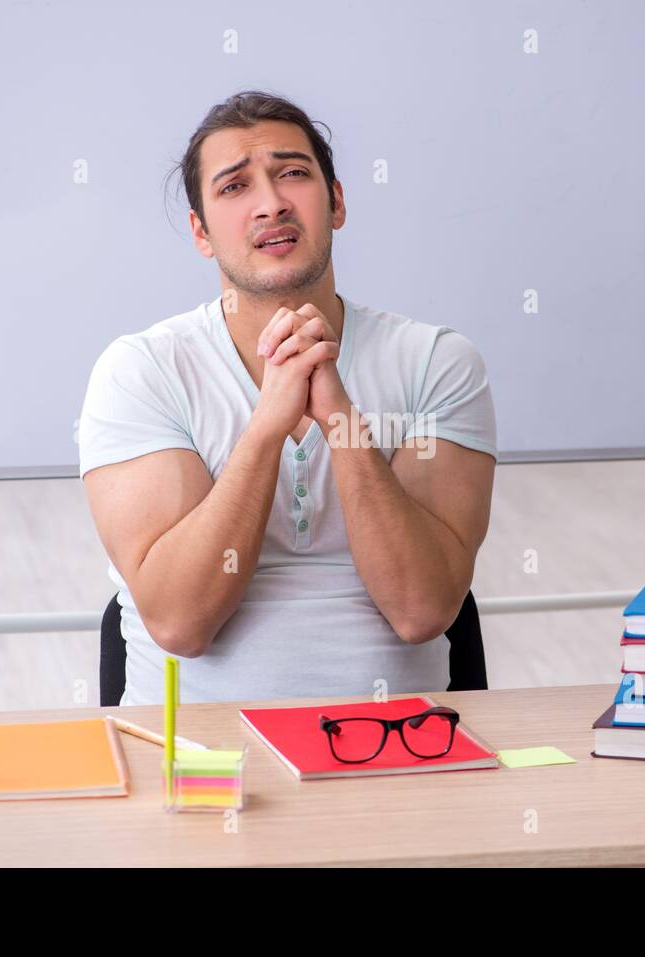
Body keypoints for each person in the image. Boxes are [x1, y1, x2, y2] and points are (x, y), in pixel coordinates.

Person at [78, 90, 497, 704]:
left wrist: (340, 420)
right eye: (234, 187)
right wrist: (266, 429)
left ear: (337, 203)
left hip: (397, 749)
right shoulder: (139, 372)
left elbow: (422, 608)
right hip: (198, 760)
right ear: (201, 231)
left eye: (293, 174)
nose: (270, 204)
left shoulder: (437, 361)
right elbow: (180, 622)